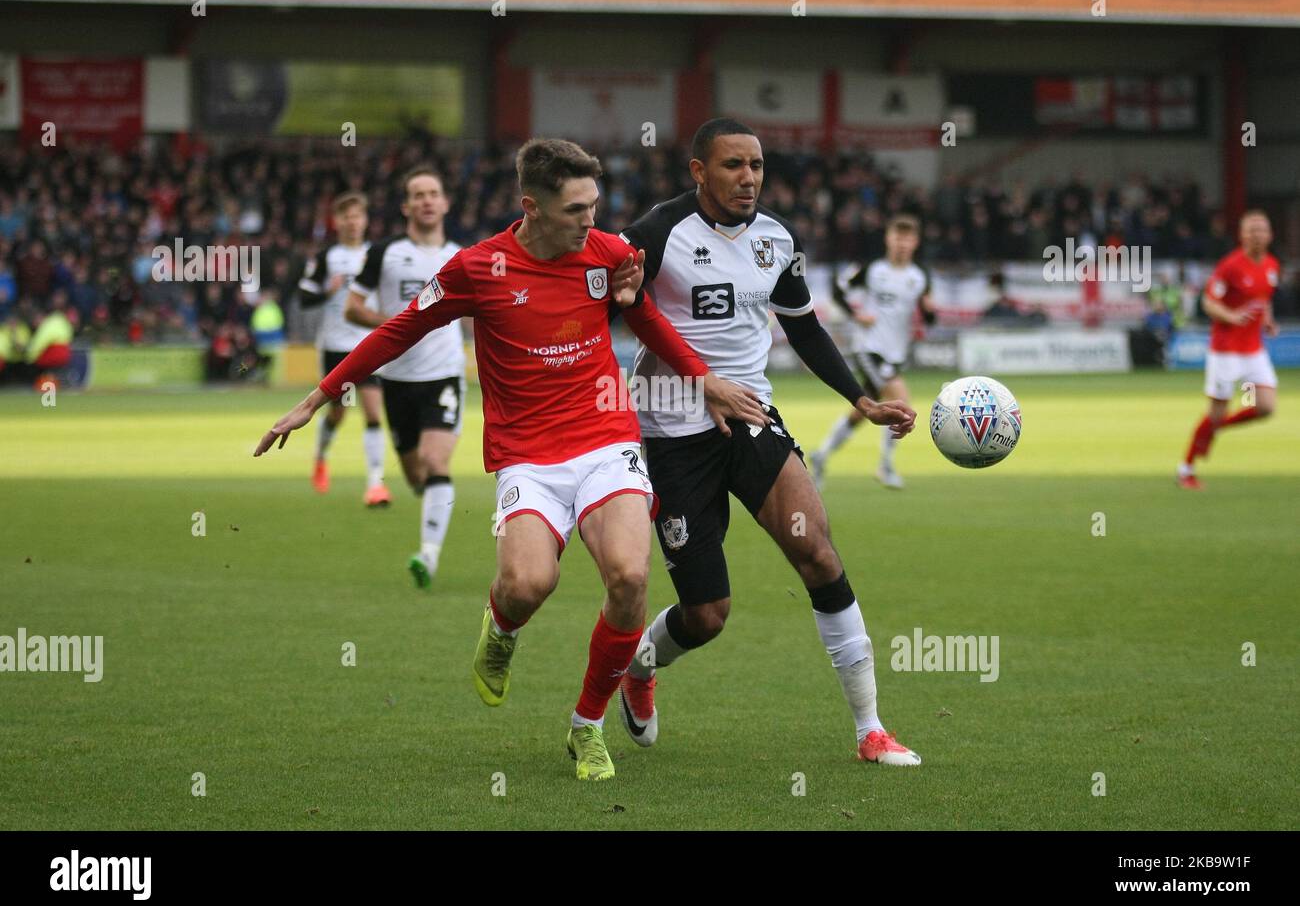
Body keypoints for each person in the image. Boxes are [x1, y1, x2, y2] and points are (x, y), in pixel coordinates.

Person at [254, 138, 766, 781]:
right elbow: (398, 328)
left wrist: (703, 379)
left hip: (607, 438)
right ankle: (500, 629)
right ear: (532, 207)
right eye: (577, 209)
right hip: (527, 454)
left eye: (595, 205)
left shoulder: (606, 253)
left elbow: (648, 322)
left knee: (631, 579)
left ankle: (586, 727)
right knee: (528, 585)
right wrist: (319, 396)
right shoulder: (479, 268)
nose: (592, 221)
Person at [616, 118, 923, 767]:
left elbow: (805, 328)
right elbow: (607, 300)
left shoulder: (777, 238)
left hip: (753, 418)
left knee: (816, 550)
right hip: (672, 430)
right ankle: (639, 666)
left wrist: (860, 400)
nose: (748, 177)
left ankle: (871, 729)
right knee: (707, 614)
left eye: (755, 165)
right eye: (732, 165)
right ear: (699, 171)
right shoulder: (656, 233)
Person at [340, 170, 466, 587]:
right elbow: (352, 308)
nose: (427, 201)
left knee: (435, 461)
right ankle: (431, 503)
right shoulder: (384, 253)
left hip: (444, 375)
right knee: (416, 475)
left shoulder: (463, 257)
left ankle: (427, 557)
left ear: (445, 203)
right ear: (406, 207)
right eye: (418, 195)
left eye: (434, 193)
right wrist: (397, 323)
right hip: (395, 378)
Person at [810, 213, 933, 490]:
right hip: (869, 349)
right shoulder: (872, 269)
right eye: (897, 237)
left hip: (896, 353)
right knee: (900, 400)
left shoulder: (920, 276)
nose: (902, 243)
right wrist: (856, 315)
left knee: (863, 411)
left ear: (915, 242)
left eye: (908, 238)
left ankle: (821, 455)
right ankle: (886, 466)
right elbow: (838, 288)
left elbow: (929, 315)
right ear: (888, 239)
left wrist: (928, 313)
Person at [296, 192, 390, 508]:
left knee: (374, 413)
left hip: (370, 344)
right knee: (338, 413)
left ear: (365, 221)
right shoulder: (327, 258)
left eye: (357, 216)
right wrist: (327, 291)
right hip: (336, 346)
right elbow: (304, 297)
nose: (352, 222)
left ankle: (376, 484)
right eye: (346, 217)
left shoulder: (377, 255)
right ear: (337, 222)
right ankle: (321, 456)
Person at [1178, 210, 1280, 490]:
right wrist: (1231, 317)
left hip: (1254, 349)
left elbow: (1263, 300)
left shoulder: (1271, 265)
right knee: (1216, 412)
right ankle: (1186, 468)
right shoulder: (1230, 266)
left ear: (1270, 235)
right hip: (1225, 350)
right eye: (1252, 230)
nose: (1258, 234)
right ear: (1242, 235)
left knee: (1265, 407)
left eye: (1262, 229)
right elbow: (1209, 302)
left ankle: (1216, 428)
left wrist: (1268, 321)